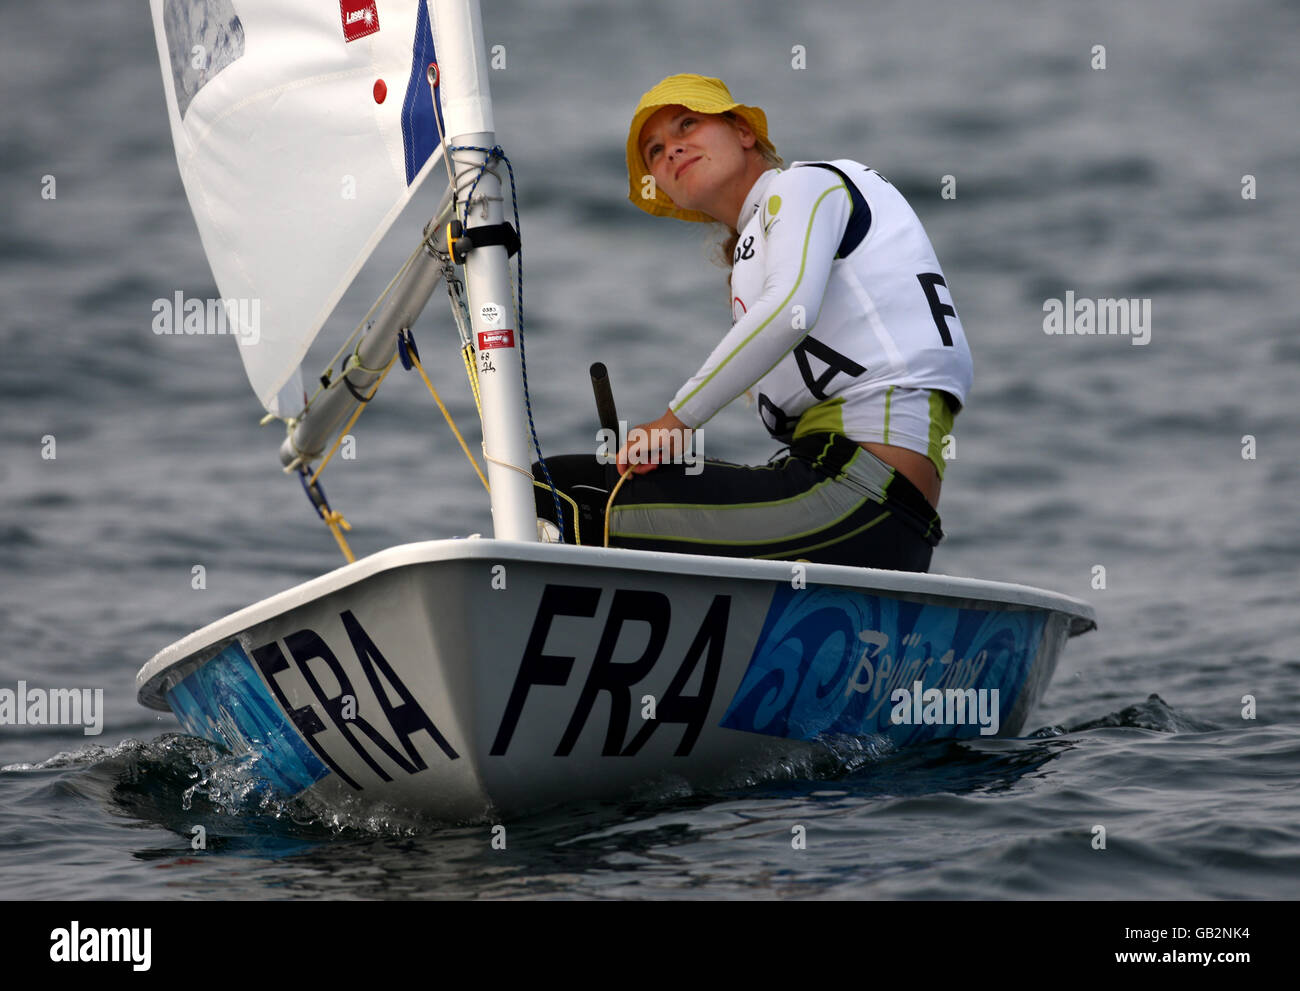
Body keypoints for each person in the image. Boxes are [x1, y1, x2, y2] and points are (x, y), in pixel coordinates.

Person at [534, 73, 972, 572]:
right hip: (866, 508)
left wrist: (675, 421)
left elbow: (791, 311)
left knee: (560, 492)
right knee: (600, 491)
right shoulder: (759, 247)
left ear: (743, 132)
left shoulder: (805, 184)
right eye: (655, 150)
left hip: (858, 495)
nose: (672, 150)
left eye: (688, 125)